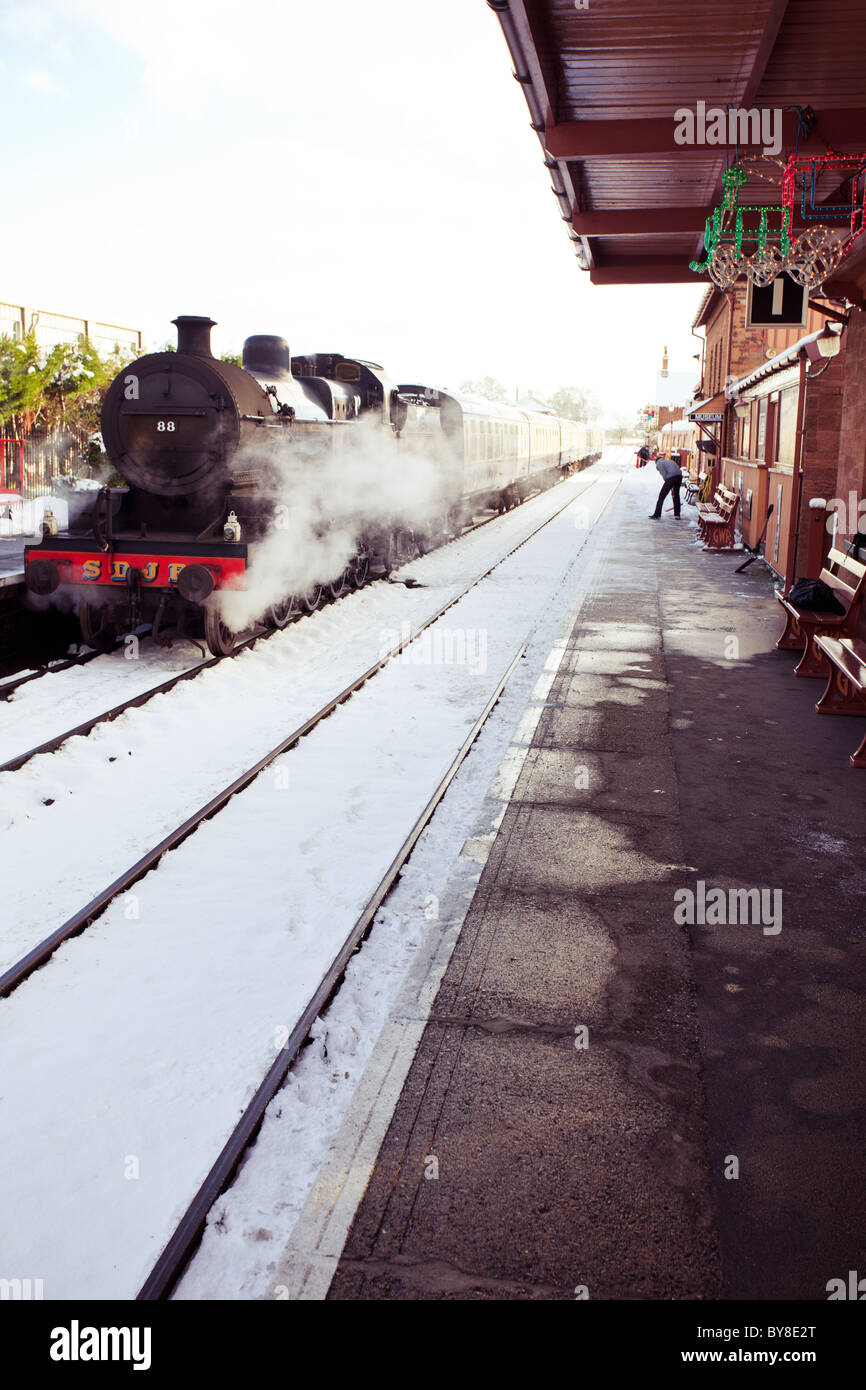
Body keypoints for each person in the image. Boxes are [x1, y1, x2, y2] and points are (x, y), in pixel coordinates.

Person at [649, 452, 683, 519]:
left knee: (661, 496)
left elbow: (664, 475)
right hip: (679, 476)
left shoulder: (659, 464)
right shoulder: (668, 461)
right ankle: (677, 515)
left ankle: (657, 514)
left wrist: (668, 484)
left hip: (671, 477)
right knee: (676, 495)